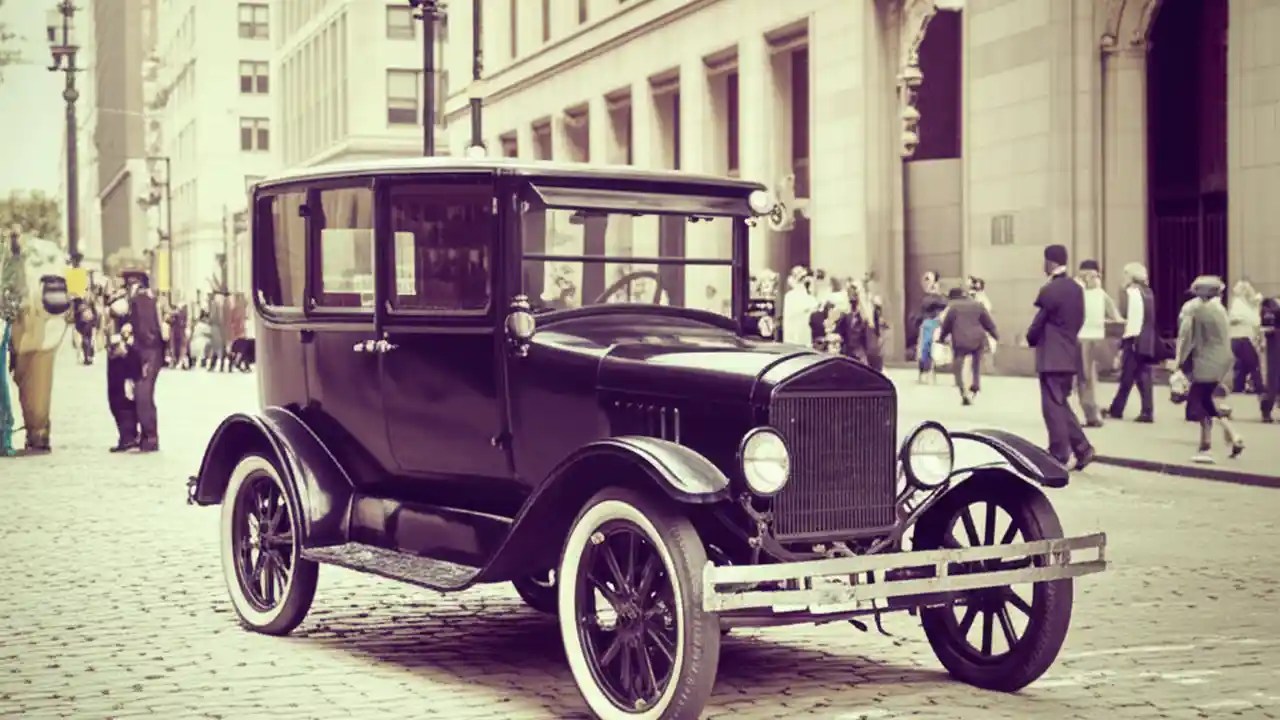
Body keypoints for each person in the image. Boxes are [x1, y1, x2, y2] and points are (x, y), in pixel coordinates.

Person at [1027, 244, 1095, 471]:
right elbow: (1079, 320)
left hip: (1051, 358)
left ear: (1051, 262)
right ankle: (1083, 448)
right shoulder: (1077, 289)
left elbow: (1039, 321)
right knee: (1061, 405)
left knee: (1052, 408)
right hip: (1069, 355)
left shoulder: (1051, 290)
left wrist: (1030, 337)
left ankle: (1059, 454)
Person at [1175, 276, 1244, 463]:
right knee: (1207, 401)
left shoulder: (1198, 311)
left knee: (1199, 404)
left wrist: (1178, 364)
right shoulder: (1220, 309)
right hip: (1222, 361)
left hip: (1205, 362)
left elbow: (1187, 340)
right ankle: (1233, 437)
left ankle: (1206, 448)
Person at [1106, 262, 1158, 422]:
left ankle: (1118, 410)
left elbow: (1134, 319)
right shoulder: (1148, 292)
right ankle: (1144, 410)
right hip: (1146, 339)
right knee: (1143, 376)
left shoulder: (1132, 292)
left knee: (1128, 377)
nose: (1123, 277)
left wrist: (1126, 342)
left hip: (1135, 339)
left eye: (1125, 273)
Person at [1075, 260, 1123, 427]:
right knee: (1089, 378)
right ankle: (1092, 412)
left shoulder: (1079, 293)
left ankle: (1092, 414)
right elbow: (1116, 317)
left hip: (1084, 339)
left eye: (1090, 275)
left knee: (1085, 378)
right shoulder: (1101, 294)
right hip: (1096, 339)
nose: (1089, 278)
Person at [939, 286, 998, 405]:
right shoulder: (978, 305)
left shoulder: (953, 308)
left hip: (960, 340)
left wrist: (941, 338)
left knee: (958, 365)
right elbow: (988, 323)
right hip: (977, 339)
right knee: (975, 364)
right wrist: (995, 334)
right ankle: (975, 383)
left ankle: (963, 391)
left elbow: (946, 326)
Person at [1227, 279, 1264, 394]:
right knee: (1253, 363)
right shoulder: (1240, 303)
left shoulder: (1238, 303)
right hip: (1244, 338)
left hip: (1235, 338)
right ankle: (1258, 387)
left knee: (1241, 364)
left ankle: (1238, 387)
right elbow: (1254, 321)